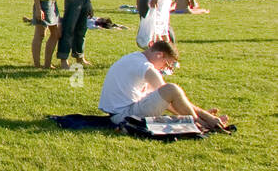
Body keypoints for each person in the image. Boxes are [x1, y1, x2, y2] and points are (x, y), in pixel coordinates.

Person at [98, 41, 229, 132]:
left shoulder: (135, 59)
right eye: (166, 64)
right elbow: (169, 95)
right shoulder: (145, 67)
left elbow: (167, 103)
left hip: (119, 113)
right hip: (123, 116)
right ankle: (203, 123)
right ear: (159, 55)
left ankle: (201, 121)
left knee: (170, 93)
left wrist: (199, 114)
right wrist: (204, 116)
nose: (165, 68)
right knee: (171, 89)